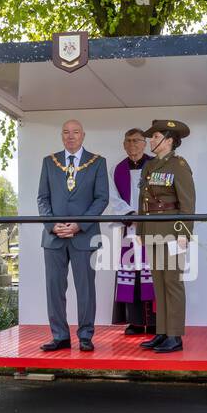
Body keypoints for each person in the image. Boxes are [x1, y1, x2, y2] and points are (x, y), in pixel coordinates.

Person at [36, 118, 108, 352]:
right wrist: (52, 224)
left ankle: (85, 335)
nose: (70, 136)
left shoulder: (97, 163)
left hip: (83, 236)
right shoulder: (49, 162)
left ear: (83, 135)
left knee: (85, 289)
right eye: (66, 132)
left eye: (75, 132)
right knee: (54, 288)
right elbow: (42, 199)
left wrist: (79, 224)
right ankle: (60, 336)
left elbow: (101, 199)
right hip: (54, 237)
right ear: (61, 136)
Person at [137, 118, 194, 354]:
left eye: (155, 137)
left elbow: (187, 203)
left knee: (173, 282)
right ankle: (162, 332)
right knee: (158, 283)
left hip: (172, 232)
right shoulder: (149, 166)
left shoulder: (178, 165)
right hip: (151, 230)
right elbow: (143, 202)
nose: (151, 140)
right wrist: (140, 230)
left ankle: (175, 336)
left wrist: (184, 233)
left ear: (169, 140)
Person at [107, 127, 156, 335]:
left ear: (144, 144)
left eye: (136, 141)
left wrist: (144, 214)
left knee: (152, 273)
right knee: (132, 274)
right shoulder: (117, 170)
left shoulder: (155, 165)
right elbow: (112, 196)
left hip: (152, 229)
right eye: (128, 141)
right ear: (123, 145)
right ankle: (135, 322)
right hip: (129, 229)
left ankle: (154, 323)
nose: (132, 145)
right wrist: (129, 213)